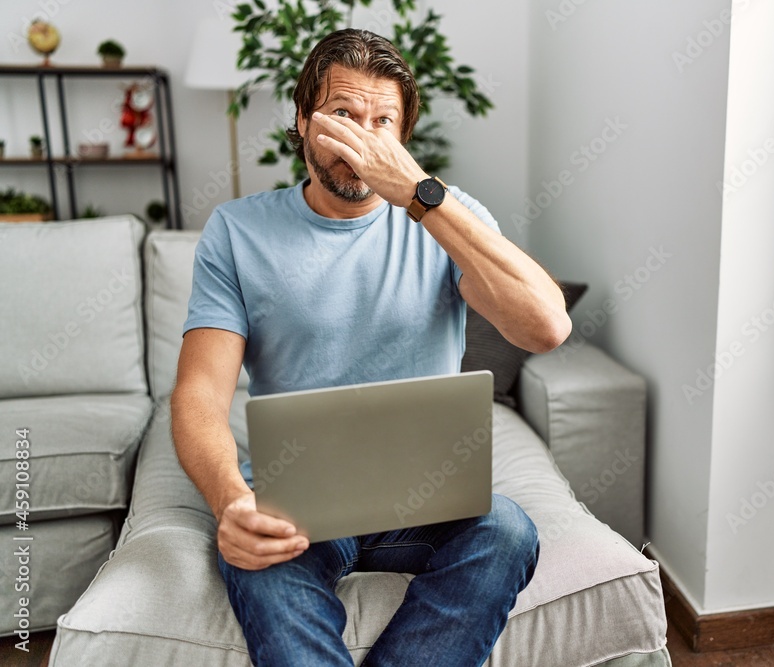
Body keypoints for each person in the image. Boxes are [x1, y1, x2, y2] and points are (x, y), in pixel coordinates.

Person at [171, 28, 572, 667]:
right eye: (342, 115)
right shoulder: (238, 231)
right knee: (256, 561)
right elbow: (198, 394)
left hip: (430, 498)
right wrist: (230, 501)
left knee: (508, 531)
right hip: (301, 501)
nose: (362, 138)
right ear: (302, 120)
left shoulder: (448, 216)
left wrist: (421, 196)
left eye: (382, 122)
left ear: (403, 140)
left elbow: (545, 327)